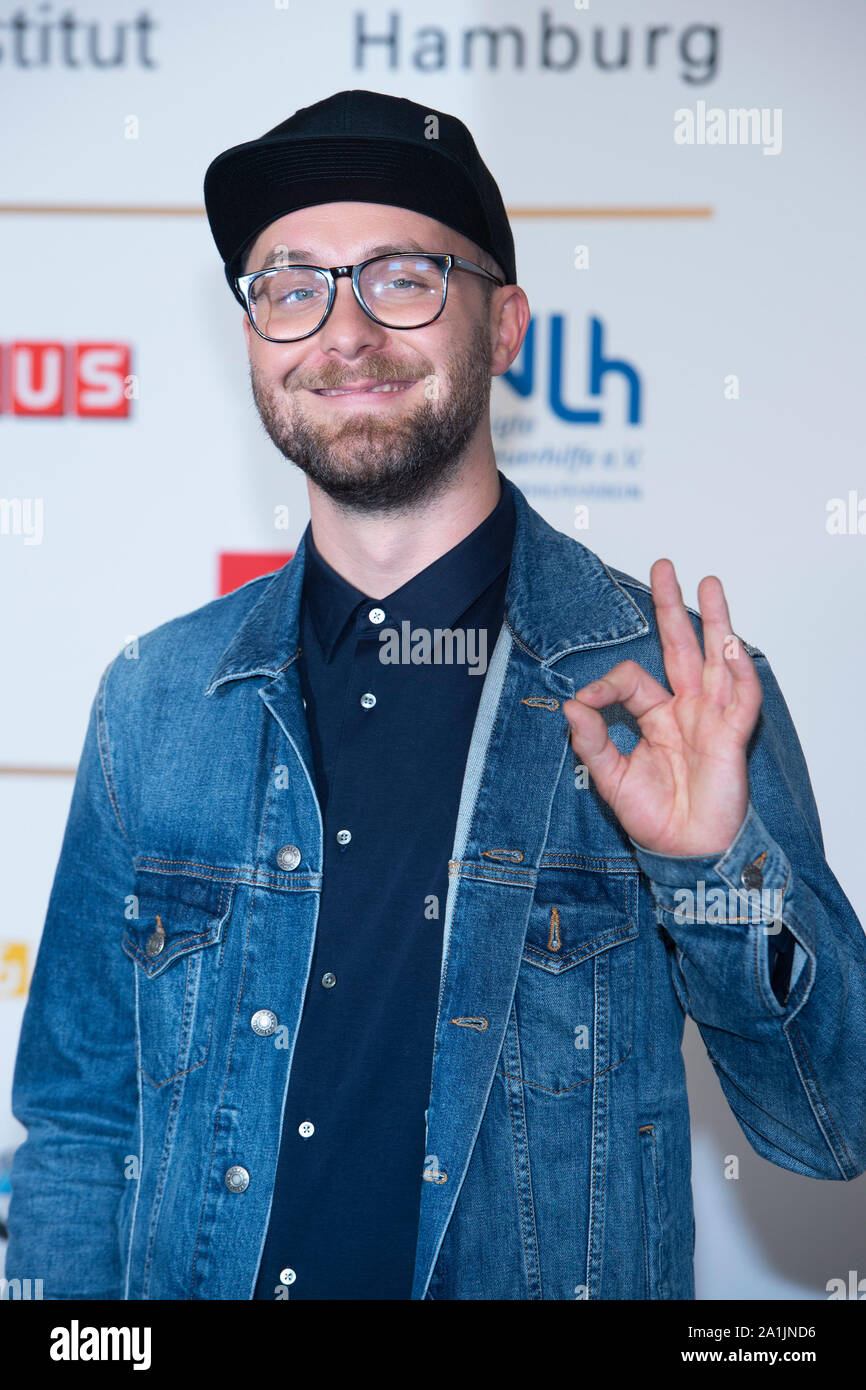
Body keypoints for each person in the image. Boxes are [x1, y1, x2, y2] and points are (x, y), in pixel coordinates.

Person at [6, 89, 866, 1301]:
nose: (342, 332)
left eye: (399, 276)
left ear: (504, 325)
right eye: (290, 286)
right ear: (253, 335)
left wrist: (713, 866)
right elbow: (78, 1134)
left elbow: (833, 1125)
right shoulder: (157, 700)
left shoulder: (668, 693)